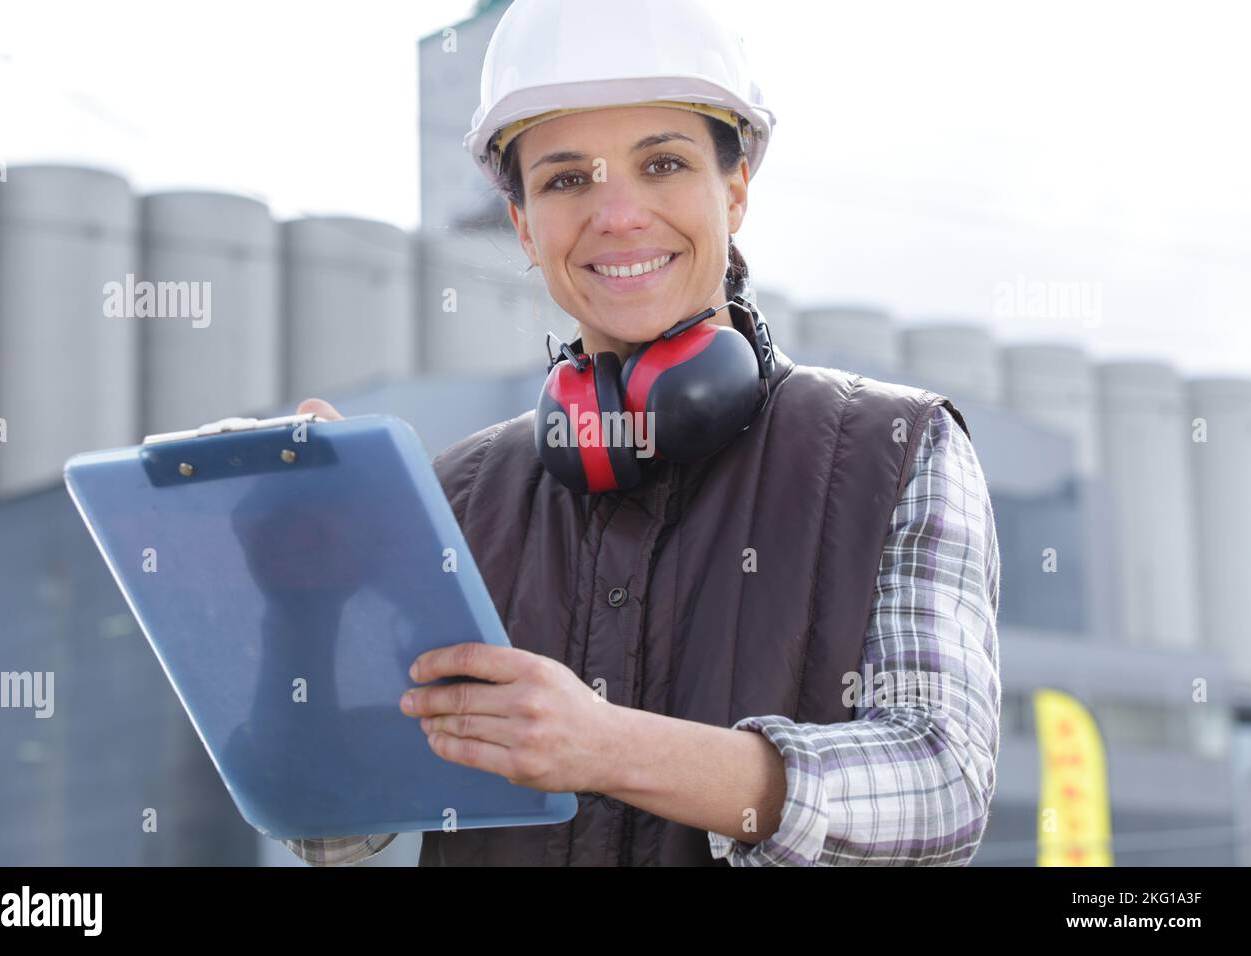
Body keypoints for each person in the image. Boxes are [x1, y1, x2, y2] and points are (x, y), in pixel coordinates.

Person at [285, 0, 1001, 866]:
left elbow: (943, 790)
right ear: (522, 224)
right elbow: (334, 826)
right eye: (565, 179)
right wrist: (308, 604)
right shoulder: (454, 496)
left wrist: (609, 747)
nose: (618, 215)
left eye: (661, 164)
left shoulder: (897, 449)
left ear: (734, 190)